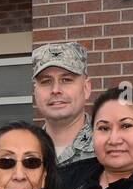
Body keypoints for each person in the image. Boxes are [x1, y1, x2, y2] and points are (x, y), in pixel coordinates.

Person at [32, 42, 94, 171]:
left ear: (86, 88)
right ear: (35, 92)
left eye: (66, 80)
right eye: (46, 81)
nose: (55, 90)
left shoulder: (110, 147)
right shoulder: (23, 150)